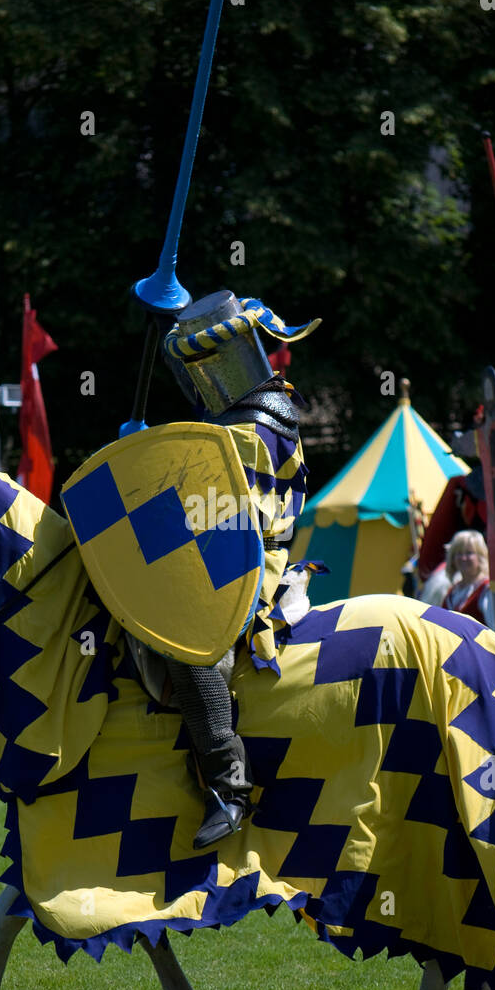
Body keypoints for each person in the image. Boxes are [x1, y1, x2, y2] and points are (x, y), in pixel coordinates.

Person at [157, 290, 318, 848]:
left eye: (199, 365)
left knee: (186, 640)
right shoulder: (256, 415)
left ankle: (228, 783)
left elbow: (226, 516)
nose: (193, 380)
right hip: (235, 549)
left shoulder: (249, 431)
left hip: (250, 562)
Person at [442, 530, 494, 626]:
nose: (463, 558)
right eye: (459, 553)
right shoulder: (452, 593)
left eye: (469, 553)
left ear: (480, 556)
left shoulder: (487, 590)